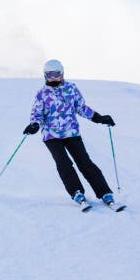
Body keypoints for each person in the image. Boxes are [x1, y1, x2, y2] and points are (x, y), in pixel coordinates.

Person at [24, 59, 120, 208]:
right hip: (51, 135)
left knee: (85, 162)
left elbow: (81, 108)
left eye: (56, 74)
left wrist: (99, 118)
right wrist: (34, 125)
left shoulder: (71, 88)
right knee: (64, 163)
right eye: (49, 75)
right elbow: (37, 114)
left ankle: (105, 193)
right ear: (44, 76)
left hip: (71, 132)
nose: (53, 78)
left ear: (62, 74)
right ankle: (76, 192)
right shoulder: (41, 94)